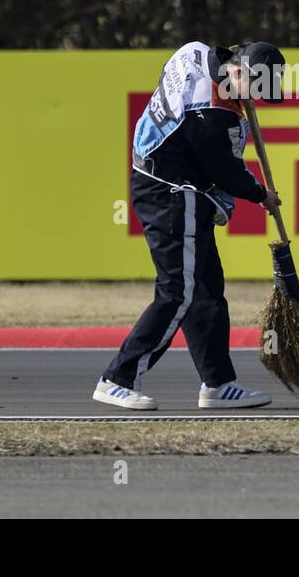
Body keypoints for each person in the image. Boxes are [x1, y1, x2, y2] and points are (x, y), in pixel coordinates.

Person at [93, 41, 286, 410]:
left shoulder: (195, 51)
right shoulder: (213, 113)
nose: (255, 103)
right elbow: (224, 171)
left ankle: (217, 383)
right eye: (257, 92)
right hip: (169, 192)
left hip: (170, 178)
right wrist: (261, 194)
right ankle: (117, 378)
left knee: (207, 289)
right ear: (241, 73)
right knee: (178, 291)